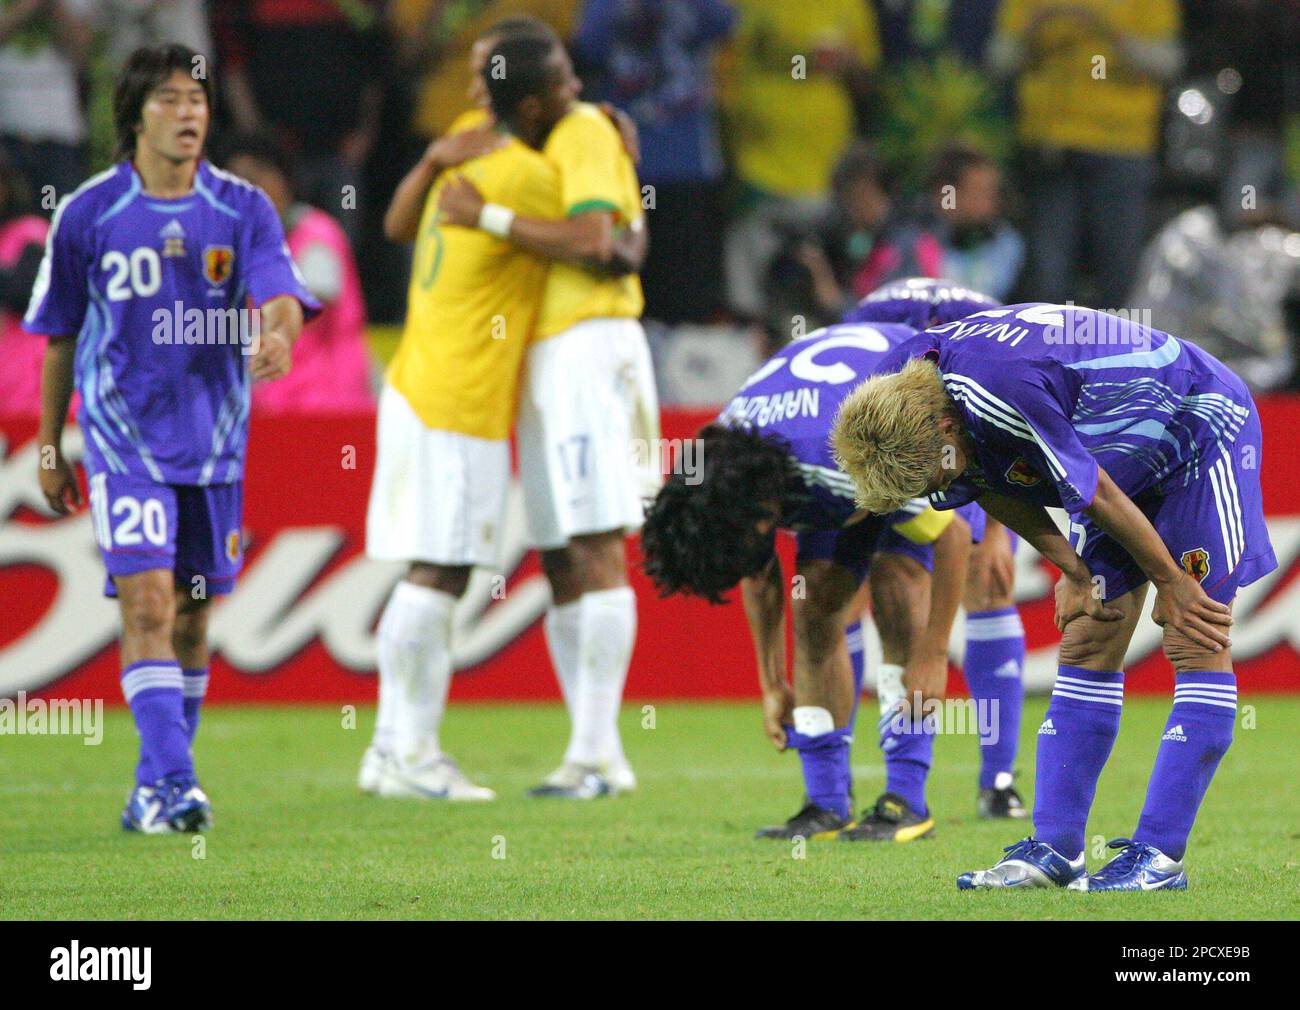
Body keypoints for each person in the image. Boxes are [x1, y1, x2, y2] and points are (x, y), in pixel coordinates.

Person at [831, 302, 1274, 890]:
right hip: (1118, 455)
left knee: (1194, 635)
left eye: (932, 479)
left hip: (1199, 426)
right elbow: (983, 482)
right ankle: (1057, 849)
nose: (940, 491)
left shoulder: (1000, 385)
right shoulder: (900, 388)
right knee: (1089, 639)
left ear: (942, 429)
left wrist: (1171, 582)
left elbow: (1097, 497)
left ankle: (1160, 857)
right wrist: (1072, 567)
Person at [25, 44, 318, 833]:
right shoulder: (88, 213)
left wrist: (278, 335)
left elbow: (282, 295)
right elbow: (59, 334)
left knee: (192, 616)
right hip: (124, 443)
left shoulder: (243, 208)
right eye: (169, 99)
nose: (189, 113)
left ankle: (152, 788)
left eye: (197, 99)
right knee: (149, 605)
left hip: (214, 444)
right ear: (134, 114)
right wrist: (51, 445)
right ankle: (180, 784)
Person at [641, 321, 974, 839]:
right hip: (819, 440)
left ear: (762, 514)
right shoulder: (724, 459)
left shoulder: (837, 459)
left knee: (897, 579)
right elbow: (757, 564)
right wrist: (772, 682)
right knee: (814, 608)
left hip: (906, 428)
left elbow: (949, 538)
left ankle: (907, 800)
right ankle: (826, 805)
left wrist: (933, 654)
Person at [436, 30, 657, 801]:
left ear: (525, 93)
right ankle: (589, 751)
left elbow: (602, 239)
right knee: (561, 551)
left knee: (594, 542)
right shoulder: (565, 133)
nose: (473, 88)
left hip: (588, 350)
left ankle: (599, 757)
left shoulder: (583, 130)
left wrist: (488, 218)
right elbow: (625, 237)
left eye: (481, 74)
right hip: (550, 354)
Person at [359, 32, 571, 802]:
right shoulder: (529, 173)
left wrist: (431, 159)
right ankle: (408, 753)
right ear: (540, 100)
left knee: (441, 567)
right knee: (441, 569)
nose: (578, 93)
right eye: (567, 80)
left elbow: (391, 228)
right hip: (456, 395)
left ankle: (392, 750)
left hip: (424, 381)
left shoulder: (461, 156)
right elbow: (599, 240)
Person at [843, 277, 1028, 819]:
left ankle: (998, 782)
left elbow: (1016, 433)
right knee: (880, 589)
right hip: (897, 454)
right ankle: (855, 773)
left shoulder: (988, 345)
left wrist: (996, 534)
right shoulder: (870, 351)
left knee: (987, 581)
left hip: (973, 444)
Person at [220, 133, 375, 414]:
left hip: (325, 408)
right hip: (270, 410)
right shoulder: (239, 247)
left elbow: (313, 300)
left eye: (256, 180)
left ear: (284, 180)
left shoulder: (316, 235)